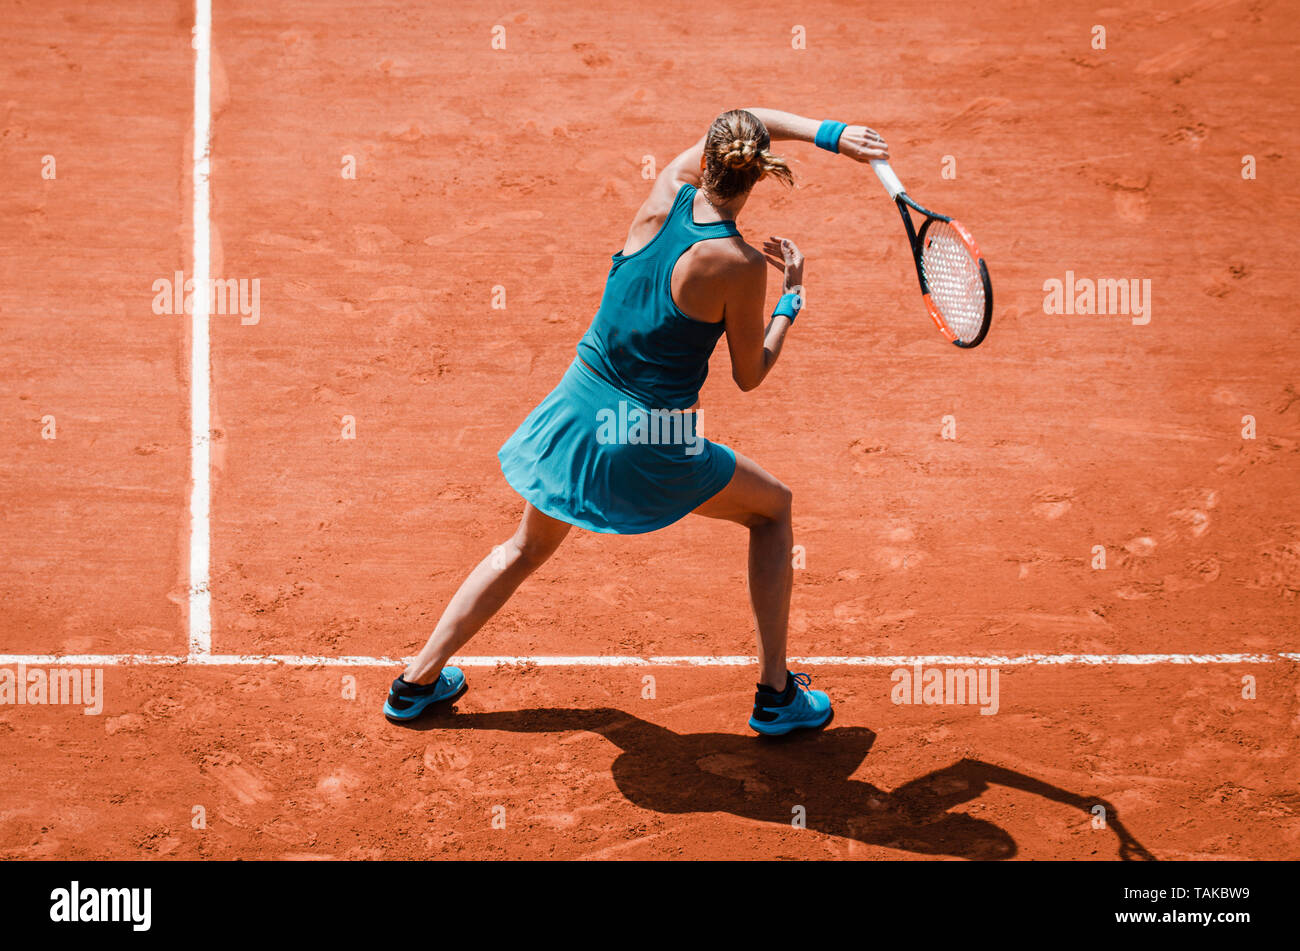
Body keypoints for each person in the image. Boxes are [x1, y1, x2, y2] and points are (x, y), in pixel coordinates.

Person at [385, 109, 889, 735]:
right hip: (650, 437)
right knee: (773, 509)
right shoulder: (738, 264)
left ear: (705, 160)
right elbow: (749, 373)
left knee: (525, 548)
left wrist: (828, 133)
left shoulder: (662, 194)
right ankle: (776, 694)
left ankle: (417, 682)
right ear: (756, 178)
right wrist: (791, 302)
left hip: (573, 407)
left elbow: (745, 113)